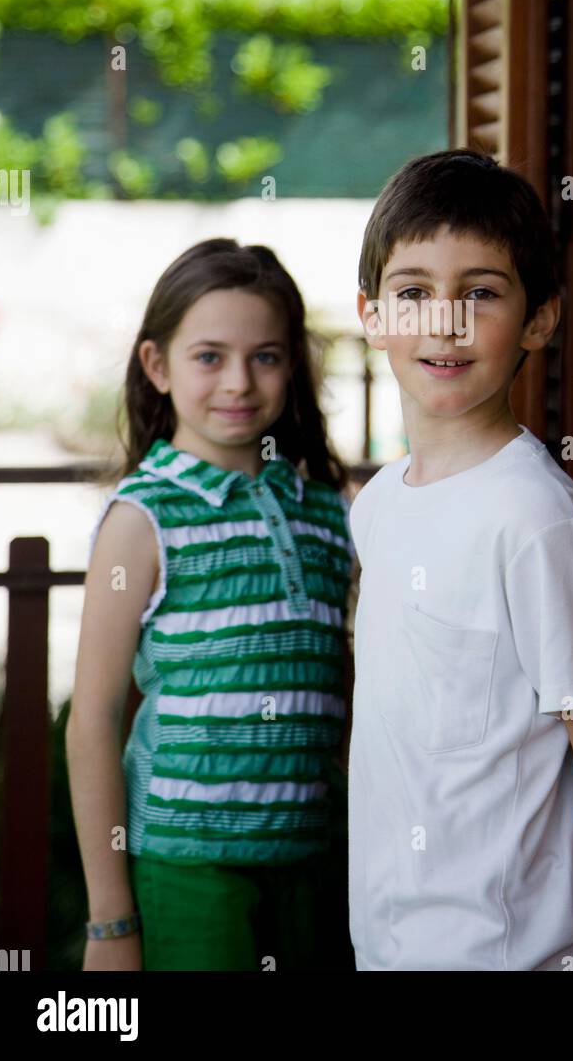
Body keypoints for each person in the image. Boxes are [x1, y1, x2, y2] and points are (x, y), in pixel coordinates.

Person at [348, 150, 573, 971]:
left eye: (479, 293)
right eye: (414, 293)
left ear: (539, 320)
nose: (444, 323)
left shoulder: (533, 517)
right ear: (372, 316)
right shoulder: (376, 506)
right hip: (389, 950)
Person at [66, 238, 357, 971]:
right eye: (209, 357)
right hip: (186, 870)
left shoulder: (329, 513)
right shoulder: (141, 520)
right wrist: (110, 922)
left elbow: (343, 691)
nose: (239, 382)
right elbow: (94, 719)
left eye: (266, 355)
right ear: (157, 366)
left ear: (294, 364)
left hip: (314, 864)